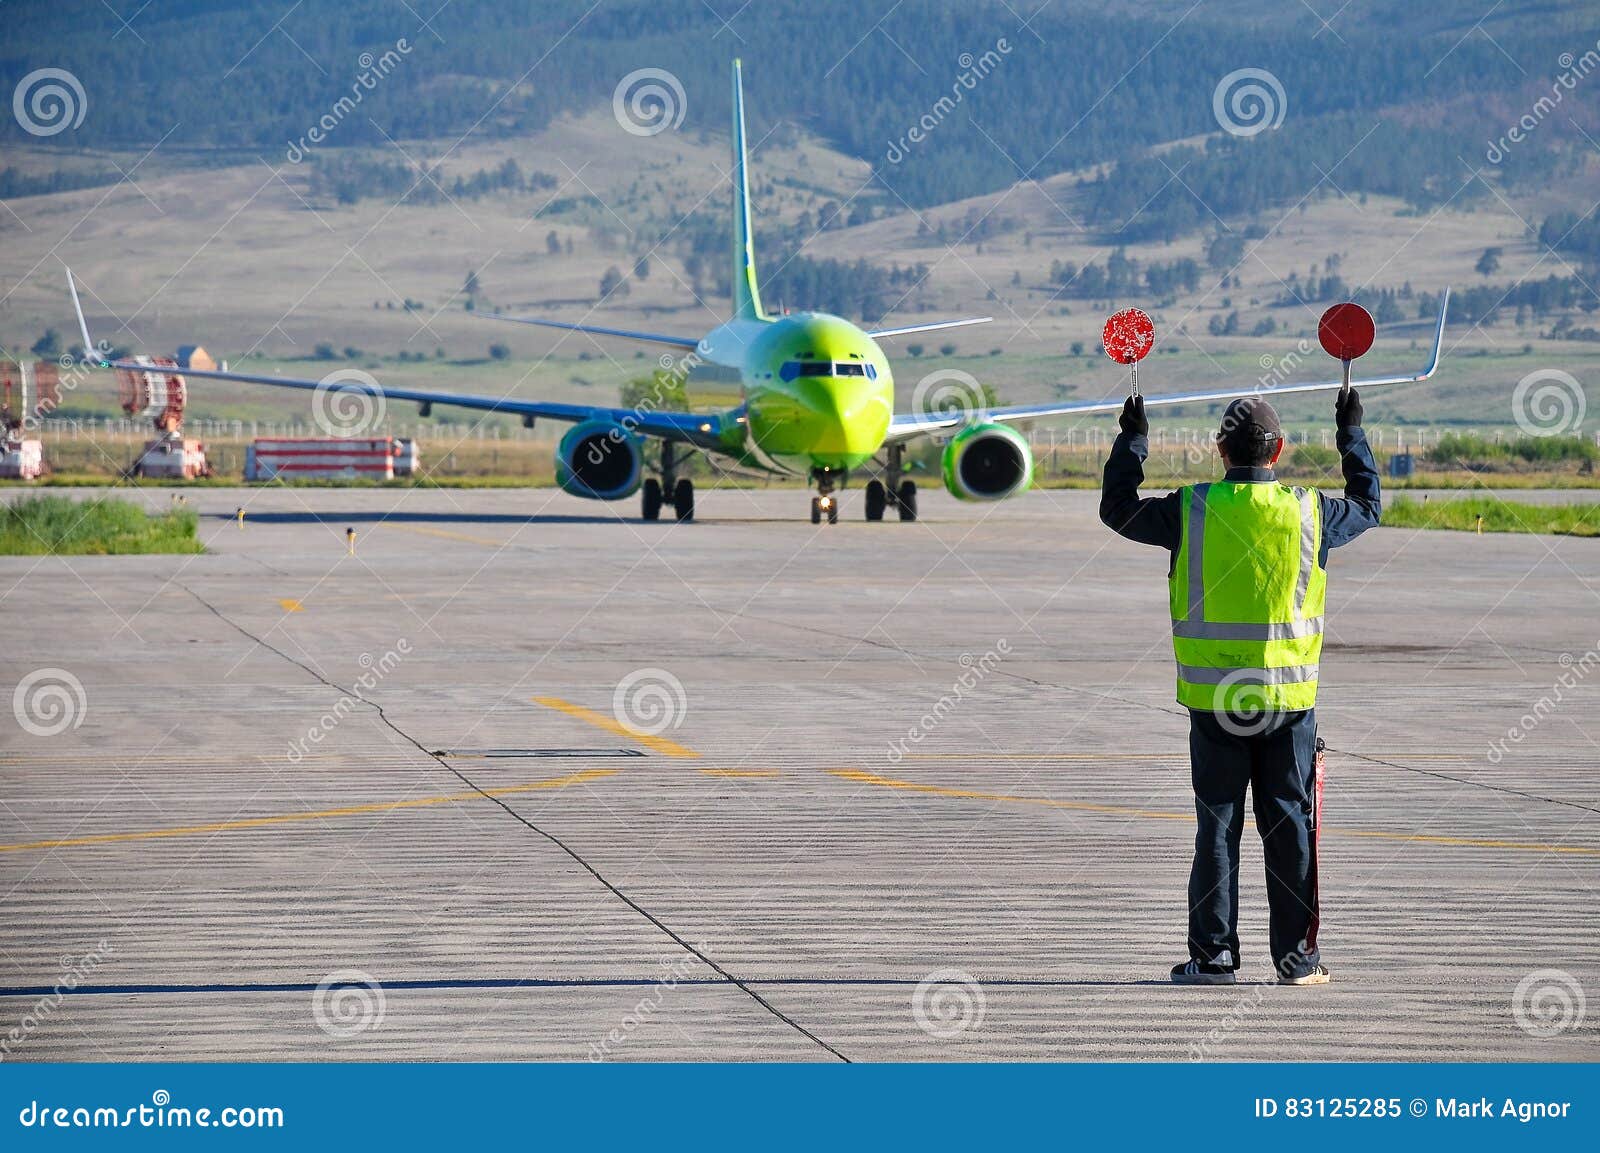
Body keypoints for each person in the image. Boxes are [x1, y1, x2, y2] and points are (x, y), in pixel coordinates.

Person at [1099, 388, 1379, 986]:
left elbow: (1117, 508)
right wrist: (1350, 433)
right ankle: (1296, 960)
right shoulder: (1310, 512)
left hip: (1216, 701)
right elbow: (1368, 504)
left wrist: (1133, 439)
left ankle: (1213, 958)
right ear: (1279, 450)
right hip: (1288, 701)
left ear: (1220, 450)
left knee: (1218, 828)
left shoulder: (1191, 509)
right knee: (1289, 827)